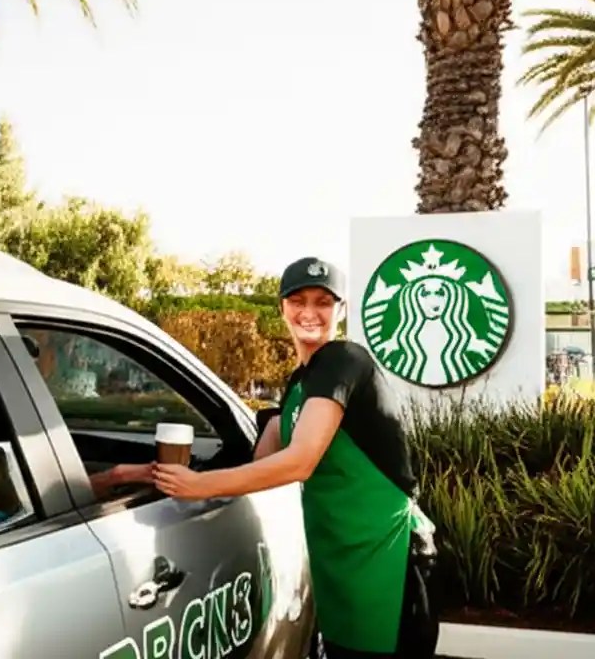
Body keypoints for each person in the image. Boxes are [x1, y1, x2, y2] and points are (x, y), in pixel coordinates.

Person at [154, 257, 438, 659]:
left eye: (323, 302)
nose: (309, 312)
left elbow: (299, 462)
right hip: (336, 562)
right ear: (282, 308)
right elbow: (259, 463)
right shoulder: (300, 382)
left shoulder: (345, 360)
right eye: (297, 300)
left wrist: (197, 485)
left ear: (341, 309)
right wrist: (143, 474)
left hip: (384, 563)